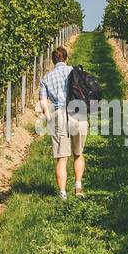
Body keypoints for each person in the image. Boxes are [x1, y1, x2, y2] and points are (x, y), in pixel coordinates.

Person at [39, 46, 88, 198]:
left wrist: (48, 118)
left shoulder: (46, 78)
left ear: (53, 60)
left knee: (62, 157)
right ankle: (78, 186)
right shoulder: (73, 72)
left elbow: (43, 102)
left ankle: (62, 193)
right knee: (78, 153)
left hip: (58, 115)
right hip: (77, 113)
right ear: (66, 58)